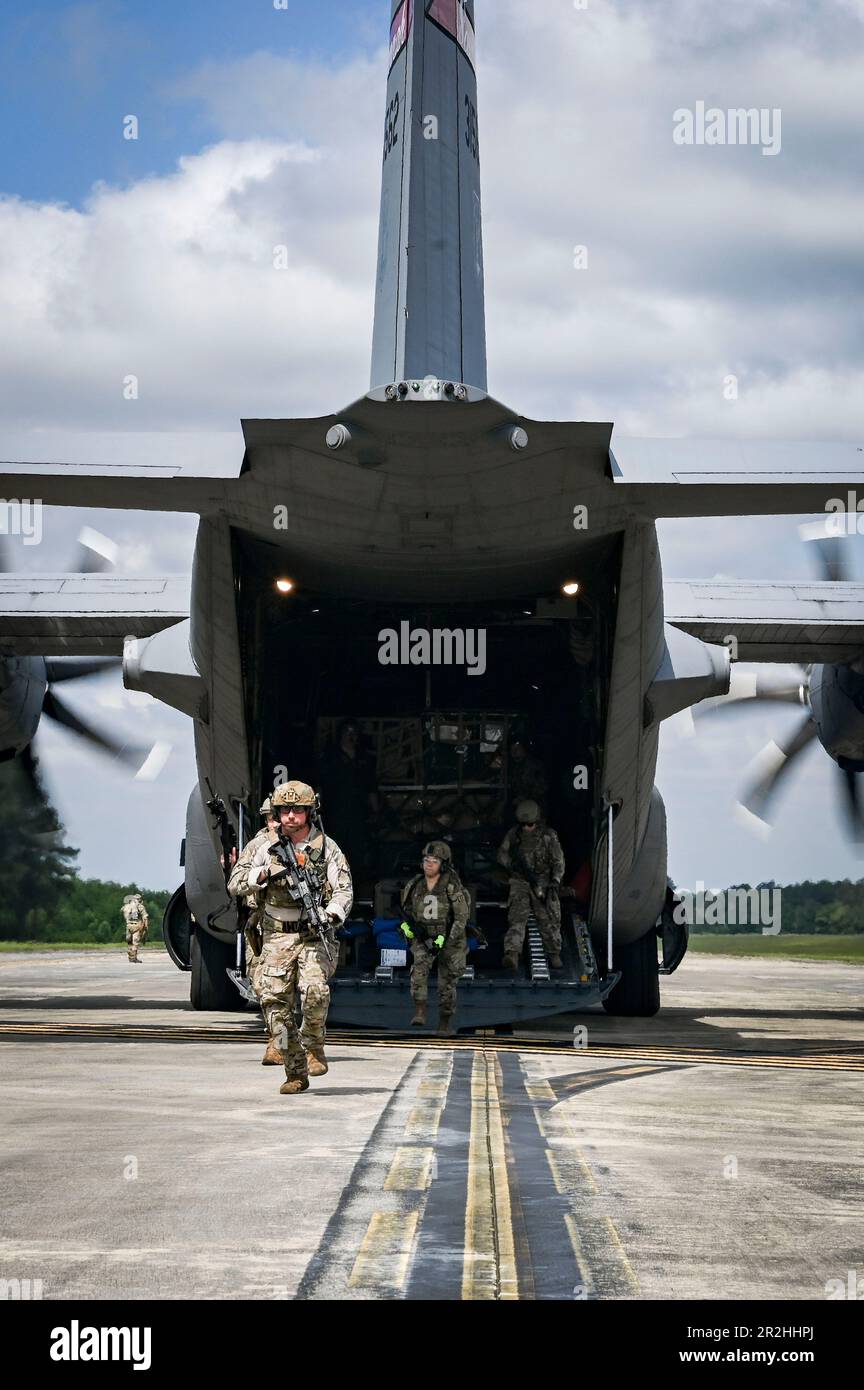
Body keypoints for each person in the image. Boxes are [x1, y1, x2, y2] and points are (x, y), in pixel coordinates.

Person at [235, 780, 353, 1095]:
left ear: (308, 812)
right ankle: (295, 1070)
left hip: (314, 933)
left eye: (297, 810)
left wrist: (331, 913)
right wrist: (260, 875)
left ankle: (314, 1043)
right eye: (284, 810)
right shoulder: (262, 846)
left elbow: (343, 889)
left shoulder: (326, 848)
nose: (290, 816)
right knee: (274, 1009)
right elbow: (235, 882)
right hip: (275, 936)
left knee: (315, 992)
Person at [399, 840, 469, 1037]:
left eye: (434, 861)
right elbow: (406, 911)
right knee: (418, 972)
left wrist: (446, 939)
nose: (429, 864)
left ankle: (445, 1021)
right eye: (426, 860)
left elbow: (461, 917)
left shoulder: (451, 886)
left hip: (448, 939)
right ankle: (420, 1010)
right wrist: (406, 928)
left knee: (446, 982)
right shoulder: (415, 885)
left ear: (443, 864)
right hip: (423, 937)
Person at [227, 797, 279, 1045]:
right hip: (262, 924)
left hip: (297, 927)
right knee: (264, 987)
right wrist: (260, 875)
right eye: (272, 816)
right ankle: (278, 1042)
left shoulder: (310, 843)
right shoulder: (257, 846)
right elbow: (235, 883)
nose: (276, 821)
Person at [498, 801, 564, 971]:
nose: (527, 828)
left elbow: (558, 862)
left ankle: (554, 953)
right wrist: (511, 864)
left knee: (548, 919)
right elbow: (502, 854)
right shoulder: (514, 835)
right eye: (523, 825)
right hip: (520, 882)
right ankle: (512, 953)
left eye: (530, 824)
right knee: (517, 918)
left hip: (542, 881)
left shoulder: (548, 836)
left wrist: (555, 882)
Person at [319, 719, 378, 876]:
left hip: (358, 813)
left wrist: (375, 809)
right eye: (348, 732)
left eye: (354, 733)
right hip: (336, 812)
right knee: (336, 848)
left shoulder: (363, 759)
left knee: (357, 850)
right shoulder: (331, 758)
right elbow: (321, 784)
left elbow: (371, 785)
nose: (351, 736)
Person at [508, 739, 548, 815]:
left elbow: (542, 787)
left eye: (517, 748)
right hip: (519, 808)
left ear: (524, 749)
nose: (514, 752)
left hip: (535, 808)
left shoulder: (535, 765)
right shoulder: (512, 766)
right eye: (512, 749)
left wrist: (525, 798)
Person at [121, 894, 149, 963]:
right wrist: (146, 927)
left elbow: (123, 912)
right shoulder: (140, 906)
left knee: (129, 943)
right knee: (135, 943)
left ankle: (130, 957)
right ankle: (134, 958)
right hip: (137, 926)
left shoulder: (127, 906)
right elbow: (145, 917)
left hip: (129, 926)